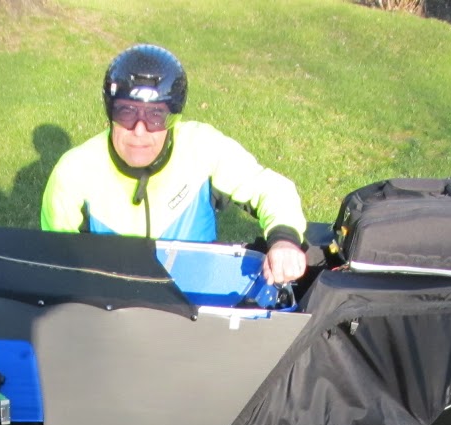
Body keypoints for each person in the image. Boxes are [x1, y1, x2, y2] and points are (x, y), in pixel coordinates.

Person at [40, 44, 308, 286]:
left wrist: (284, 240)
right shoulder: (74, 171)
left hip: (193, 305)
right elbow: (53, 260)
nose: (140, 130)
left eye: (156, 115)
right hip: (110, 310)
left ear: (174, 116)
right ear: (109, 111)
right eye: (126, 111)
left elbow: (272, 189)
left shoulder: (202, 147)